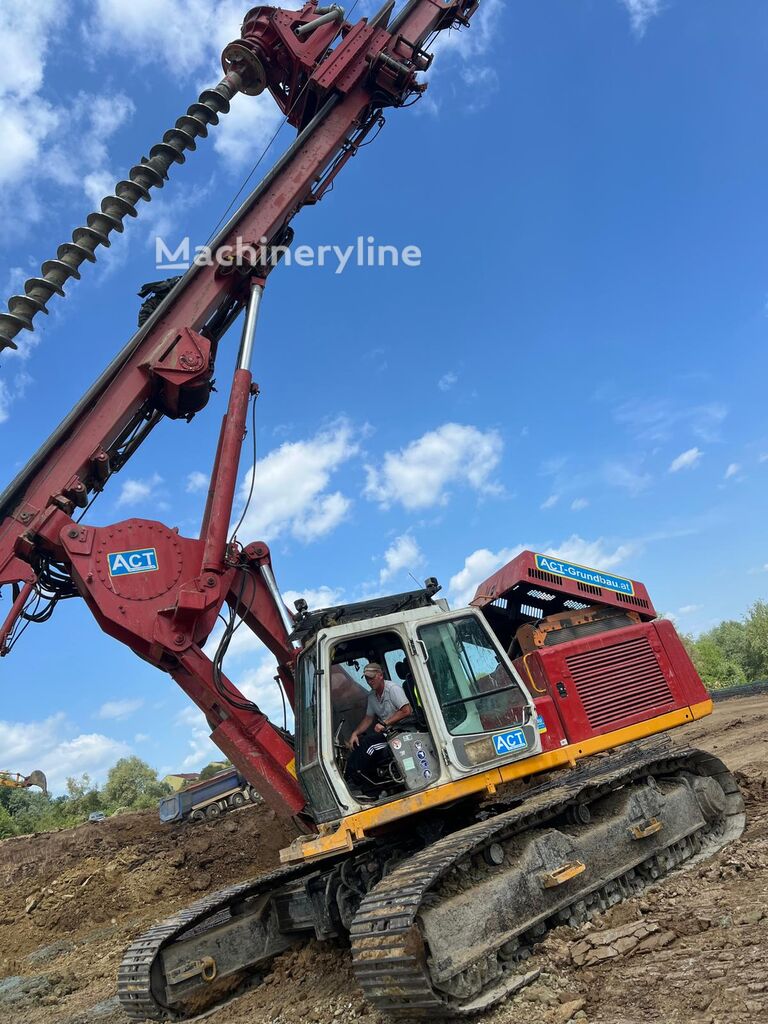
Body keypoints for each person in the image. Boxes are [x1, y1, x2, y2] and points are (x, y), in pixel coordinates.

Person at [345, 663, 412, 800]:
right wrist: (355, 733)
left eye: (372, 678)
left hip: (402, 732)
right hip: (388, 734)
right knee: (359, 743)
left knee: (370, 744)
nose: (370, 682)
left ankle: (361, 786)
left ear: (380, 676)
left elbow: (406, 711)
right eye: (367, 679)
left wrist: (384, 723)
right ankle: (357, 784)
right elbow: (368, 719)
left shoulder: (393, 689)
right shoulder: (372, 697)